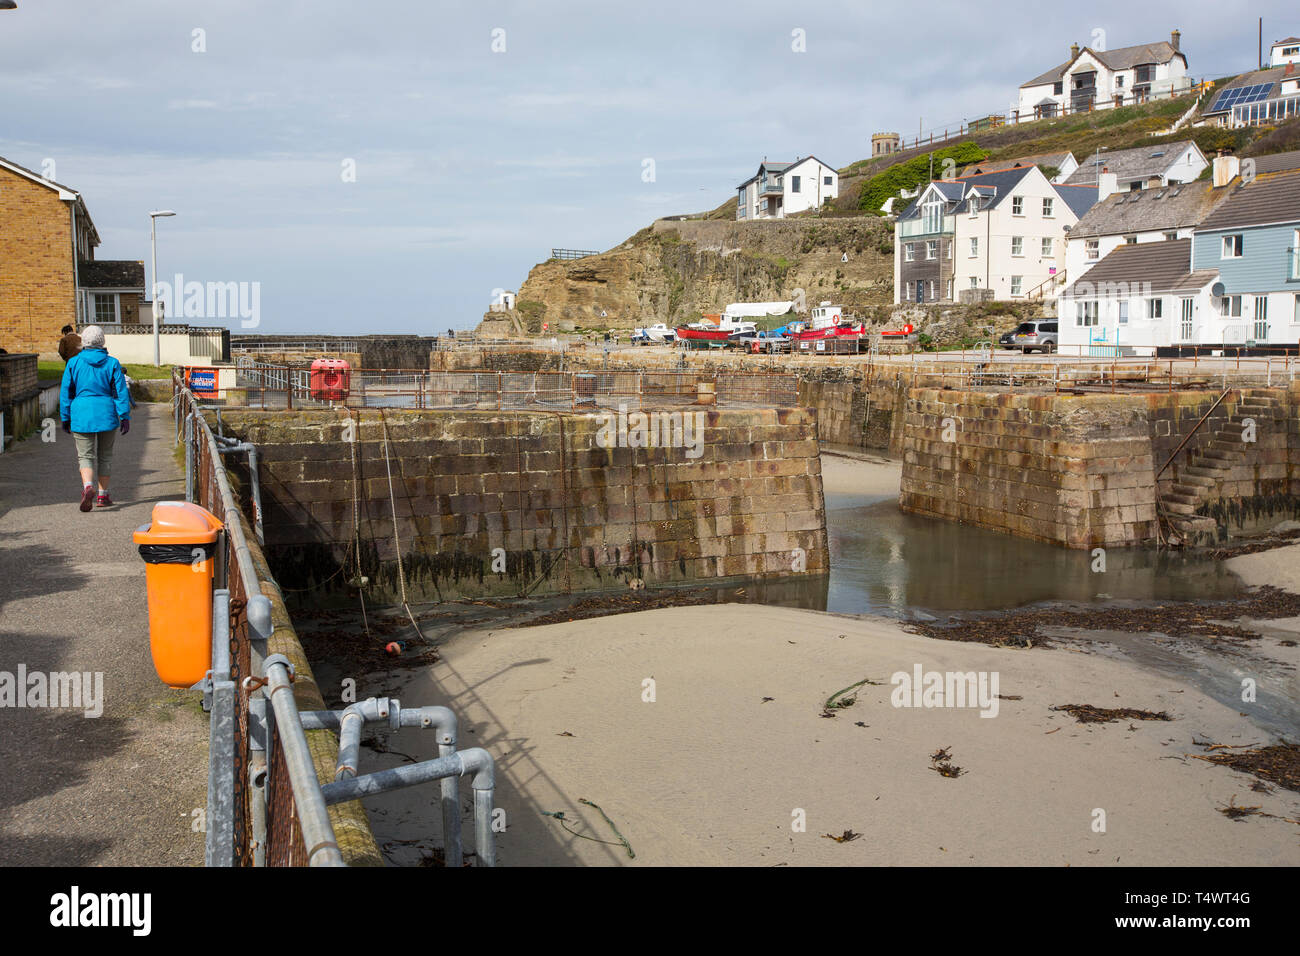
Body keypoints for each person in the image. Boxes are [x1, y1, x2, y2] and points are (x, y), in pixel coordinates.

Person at [59, 325, 131, 512]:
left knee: (85, 456)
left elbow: (66, 392)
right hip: (106, 414)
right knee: (105, 456)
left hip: (81, 414)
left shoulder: (73, 363)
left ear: (83, 341)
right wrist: (124, 416)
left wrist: (65, 417)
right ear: (102, 341)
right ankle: (102, 495)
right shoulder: (112, 363)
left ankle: (87, 487)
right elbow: (119, 392)